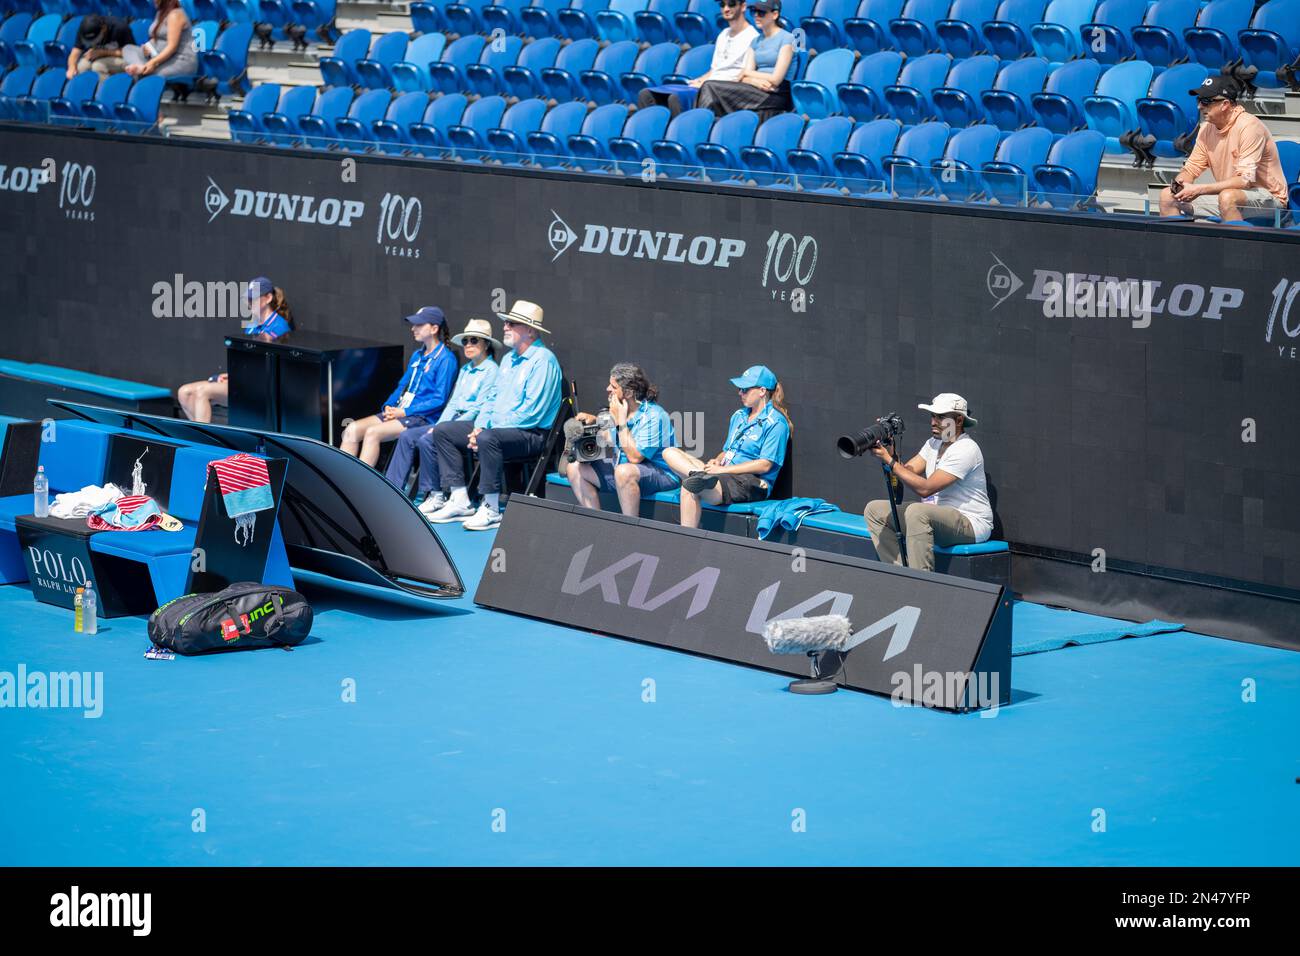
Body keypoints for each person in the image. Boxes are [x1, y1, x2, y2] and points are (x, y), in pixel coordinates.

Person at [424, 300, 563, 532]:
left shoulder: (544, 360)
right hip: (498, 430)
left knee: (489, 439)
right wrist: (478, 426)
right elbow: (491, 400)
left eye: (512, 323)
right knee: (443, 430)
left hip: (532, 434)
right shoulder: (508, 359)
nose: (505, 327)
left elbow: (532, 413)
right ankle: (460, 499)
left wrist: (486, 431)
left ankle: (490, 507)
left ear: (530, 330)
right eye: (506, 322)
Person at [863, 393, 994, 573]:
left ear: (958, 421)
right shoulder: (933, 443)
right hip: (939, 517)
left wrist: (890, 461)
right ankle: (901, 574)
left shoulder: (966, 449)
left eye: (941, 417)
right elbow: (907, 471)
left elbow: (925, 488)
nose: (933, 422)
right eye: (933, 416)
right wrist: (891, 452)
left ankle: (921, 582)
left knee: (917, 512)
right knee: (874, 510)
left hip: (971, 524)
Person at [662, 365, 791, 529]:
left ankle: (686, 544)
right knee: (669, 451)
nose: (740, 393)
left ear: (762, 391)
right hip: (723, 474)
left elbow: (765, 465)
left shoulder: (777, 423)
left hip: (751, 482)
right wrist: (717, 461)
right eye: (739, 389)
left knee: (689, 487)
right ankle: (701, 477)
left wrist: (721, 471)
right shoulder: (739, 415)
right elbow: (727, 451)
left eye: (745, 389)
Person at [1158, 76, 1290, 223]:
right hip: (1228, 196)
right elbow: (1190, 169)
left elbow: (1244, 181)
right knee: (1167, 196)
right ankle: (1178, 246)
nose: (1199, 107)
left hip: (1270, 199)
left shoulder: (1250, 127)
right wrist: (1178, 189)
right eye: (1198, 100)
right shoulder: (1206, 129)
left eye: (1206, 101)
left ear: (1225, 104)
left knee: (1228, 197)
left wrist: (1199, 189)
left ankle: (1237, 246)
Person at [340, 306, 458, 468]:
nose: (413, 328)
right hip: (400, 411)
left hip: (422, 417)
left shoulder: (446, 359)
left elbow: (439, 399)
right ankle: (342, 482)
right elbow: (402, 385)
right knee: (352, 429)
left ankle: (360, 486)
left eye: (419, 325)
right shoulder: (417, 355)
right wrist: (389, 406)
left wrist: (405, 412)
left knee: (372, 433)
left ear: (434, 328)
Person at [407, 319, 501, 517]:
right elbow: (453, 402)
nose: (468, 345)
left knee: (440, 433)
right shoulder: (466, 369)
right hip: (455, 421)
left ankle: (459, 499)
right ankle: (436, 494)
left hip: (474, 422)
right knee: (426, 438)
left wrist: (448, 426)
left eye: (474, 340)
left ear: (486, 344)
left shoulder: (492, 370)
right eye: (465, 341)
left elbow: (480, 407)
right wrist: (441, 424)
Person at [566, 364, 679, 517]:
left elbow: (635, 457)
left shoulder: (655, 416)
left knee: (624, 471)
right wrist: (592, 422)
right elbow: (606, 435)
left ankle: (629, 529)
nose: (607, 389)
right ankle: (594, 522)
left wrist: (620, 422)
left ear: (628, 392)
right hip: (623, 470)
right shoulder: (617, 411)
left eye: (613, 386)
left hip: (662, 474)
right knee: (574, 468)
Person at [176, 277, 292, 423]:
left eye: (253, 299)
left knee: (202, 392)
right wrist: (232, 375)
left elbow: (268, 367)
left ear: (268, 298)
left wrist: (239, 377)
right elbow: (249, 362)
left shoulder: (278, 327)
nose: (249, 303)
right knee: (184, 393)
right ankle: (203, 439)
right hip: (245, 381)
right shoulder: (253, 324)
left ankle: (206, 443)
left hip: (262, 388)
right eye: (248, 299)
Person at [635, 0, 759, 118]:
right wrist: (698, 80)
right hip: (708, 85)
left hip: (721, 91)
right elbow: (714, 70)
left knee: (675, 97)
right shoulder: (724, 34)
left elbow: (744, 75)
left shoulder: (753, 37)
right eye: (722, 4)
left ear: (743, 7)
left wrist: (706, 85)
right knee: (645, 94)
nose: (726, 9)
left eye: (731, 4)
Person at [695, 0, 795, 121]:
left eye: (762, 12)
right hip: (757, 87)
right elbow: (743, 77)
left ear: (775, 15)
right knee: (710, 90)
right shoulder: (755, 41)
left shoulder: (787, 39)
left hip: (775, 93)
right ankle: (706, 127)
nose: (757, 16)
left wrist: (746, 73)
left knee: (709, 87)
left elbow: (776, 79)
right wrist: (753, 80)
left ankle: (702, 125)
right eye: (754, 12)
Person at [122, 0, 199, 80]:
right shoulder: (160, 13)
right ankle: (143, 67)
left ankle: (143, 68)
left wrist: (153, 63)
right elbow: (156, 38)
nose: (153, 1)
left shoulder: (175, 14)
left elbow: (172, 47)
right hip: (158, 56)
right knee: (128, 49)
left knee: (148, 76)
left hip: (179, 61)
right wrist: (148, 47)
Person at [67, 15, 134, 78]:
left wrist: (102, 53)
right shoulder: (84, 30)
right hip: (97, 56)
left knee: (98, 66)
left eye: (95, 39)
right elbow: (75, 52)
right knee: (82, 67)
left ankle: (104, 89)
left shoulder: (119, 28)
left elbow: (131, 52)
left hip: (121, 58)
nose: (92, 43)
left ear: (103, 29)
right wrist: (71, 67)